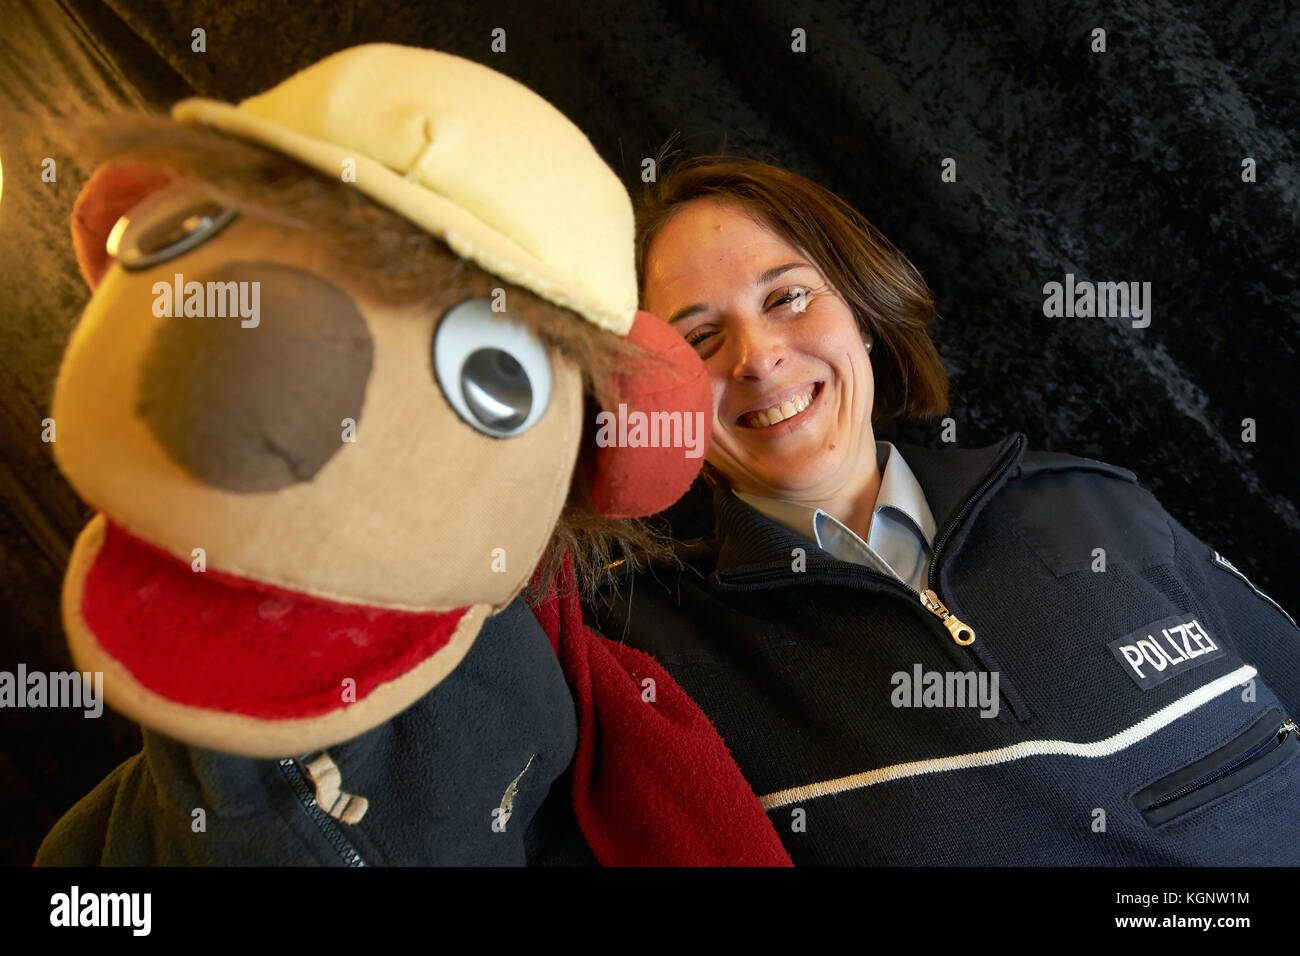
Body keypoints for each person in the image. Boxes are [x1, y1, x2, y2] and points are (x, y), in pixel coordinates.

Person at [586, 154, 1300, 865]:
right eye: (700, 338)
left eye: (788, 297)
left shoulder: (1099, 505)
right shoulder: (632, 644)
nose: (757, 356)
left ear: (861, 314)